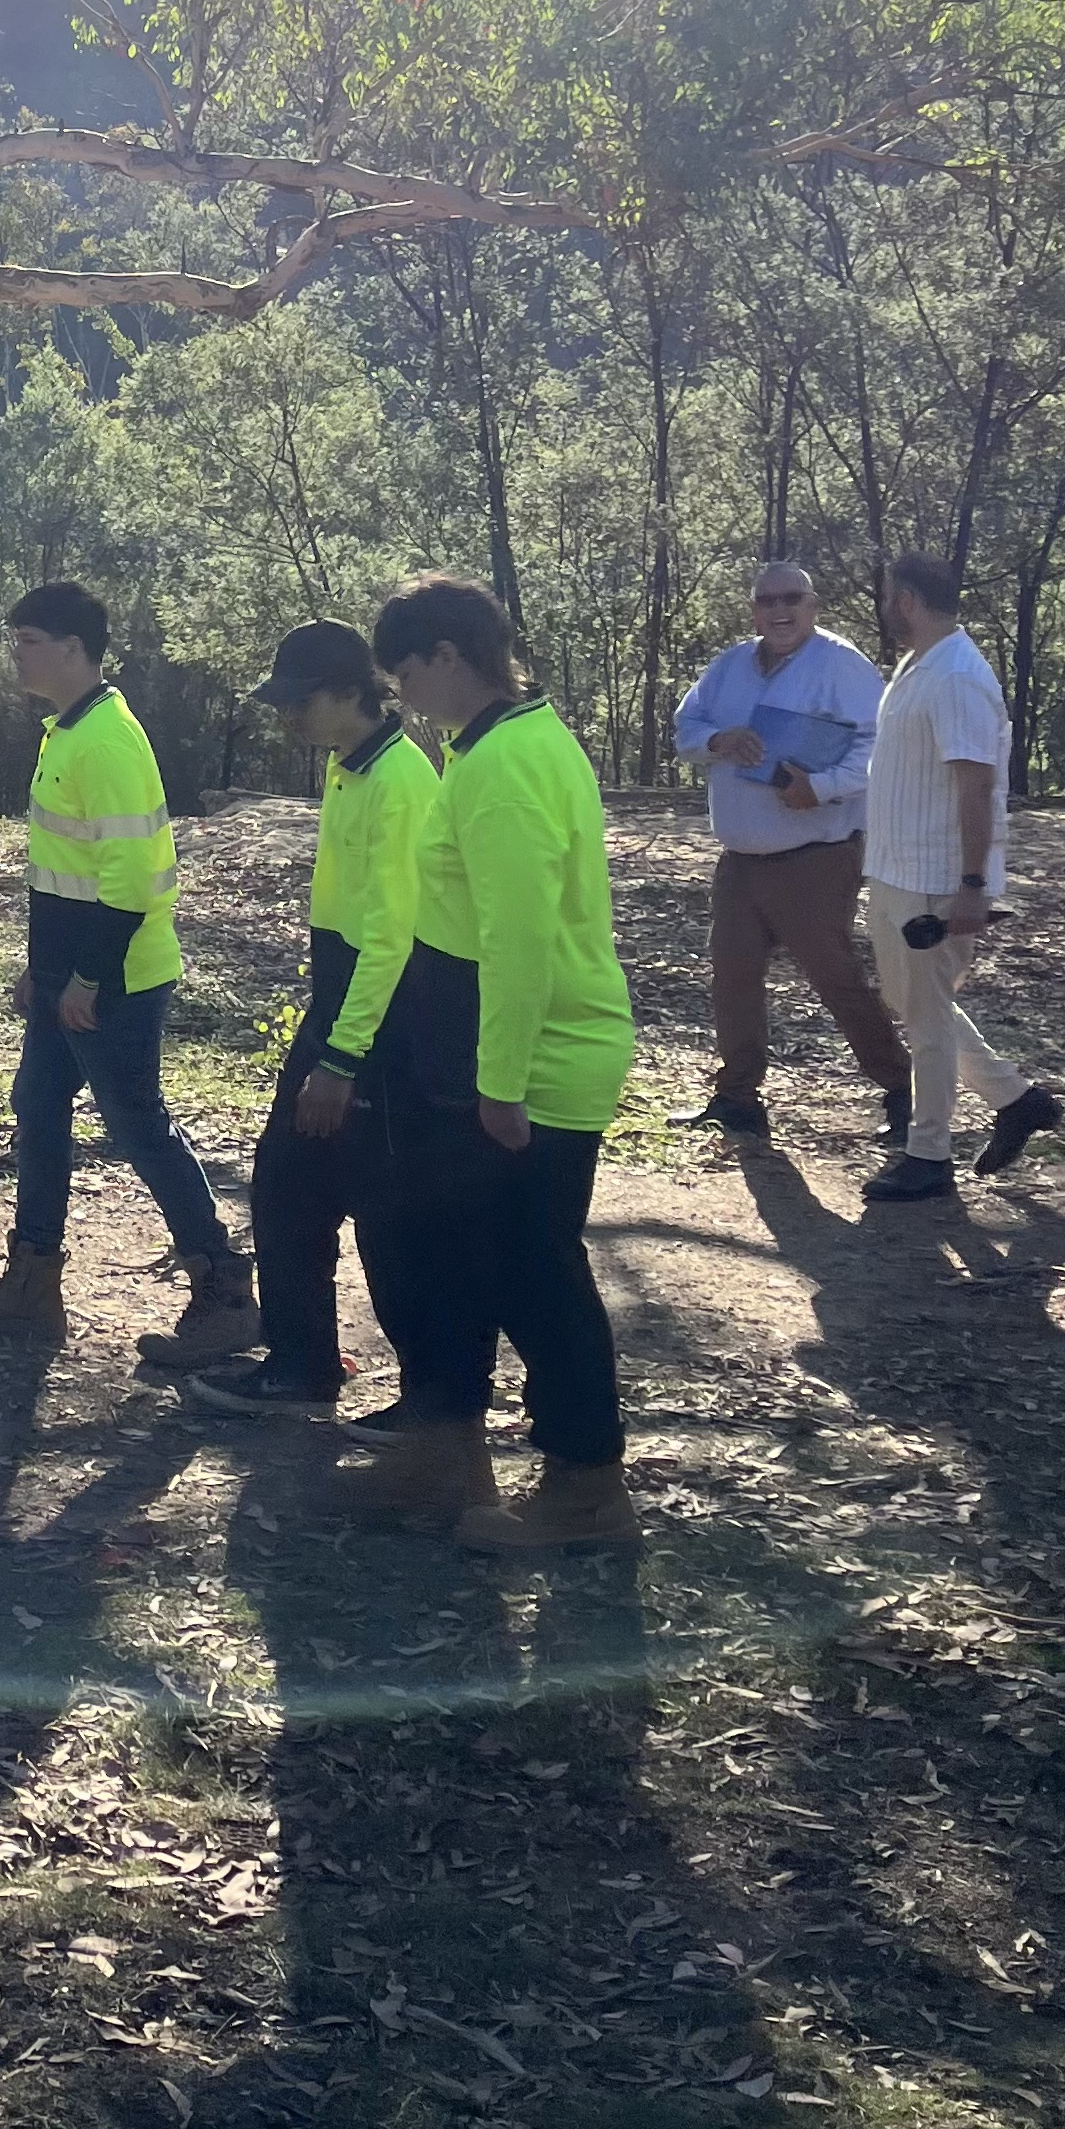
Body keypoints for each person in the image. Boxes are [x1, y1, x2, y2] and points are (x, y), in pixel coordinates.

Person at [357, 575, 642, 1551]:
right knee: (463, 1256)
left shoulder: (505, 765)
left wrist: (503, 1084)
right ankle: (447, 1456)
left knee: (535, 1272)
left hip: (537, 1062)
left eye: (405, 674)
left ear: (446, 656)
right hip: (489, 1055)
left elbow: (519, 938)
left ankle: (588, 1488)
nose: (401, 697)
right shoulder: (497, 744)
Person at [0, 582, 257, 1367]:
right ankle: (34, 1288)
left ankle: (225, 1290)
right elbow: (66, 875)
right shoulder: (67, 731)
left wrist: (89, 980)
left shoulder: (104, 740)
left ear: (74, 649)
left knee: (137, 1123)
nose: (16, 652)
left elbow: (135, 875)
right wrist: (42, 973)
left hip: (116, 984)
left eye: (29, 639)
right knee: (37, 1107)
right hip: (68, 980)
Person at [178, 619, 438, 1424]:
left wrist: (341, 1058)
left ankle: (434, 1400)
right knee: (291, 1186)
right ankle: (304, 1363)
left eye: (300, 702)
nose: (287, 718)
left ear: (352, 693)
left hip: (380, 1025)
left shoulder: (400, 780)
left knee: (385, 1212)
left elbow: (393, 938)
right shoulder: (347, 766)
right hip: (339, 1004)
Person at [671, 562, 913, 1140]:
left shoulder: (841, 666)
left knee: (835, 977)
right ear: (753, 608)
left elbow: (882, 748)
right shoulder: (730, 666)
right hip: (740, 858)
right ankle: (737, 1097)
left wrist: (821, 787)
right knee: (732, 975)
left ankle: (905, 1093)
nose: (779, 611)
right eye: (766, 601)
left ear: (814, 604)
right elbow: (687, 725)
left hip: (814, 855)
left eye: (792, 599)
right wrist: (716, 740)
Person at [859, 555, 1058, 1205]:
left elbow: (976, 783)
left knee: (927, 1019)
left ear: (909, 600)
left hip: (934, 878)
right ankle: (1016, 1100)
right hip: (894, 870)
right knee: (915, 1004)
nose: (886, 605)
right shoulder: (917, 665)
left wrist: (972, 884)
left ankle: (929, 1154)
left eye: (890, 596)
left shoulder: (957, 677)